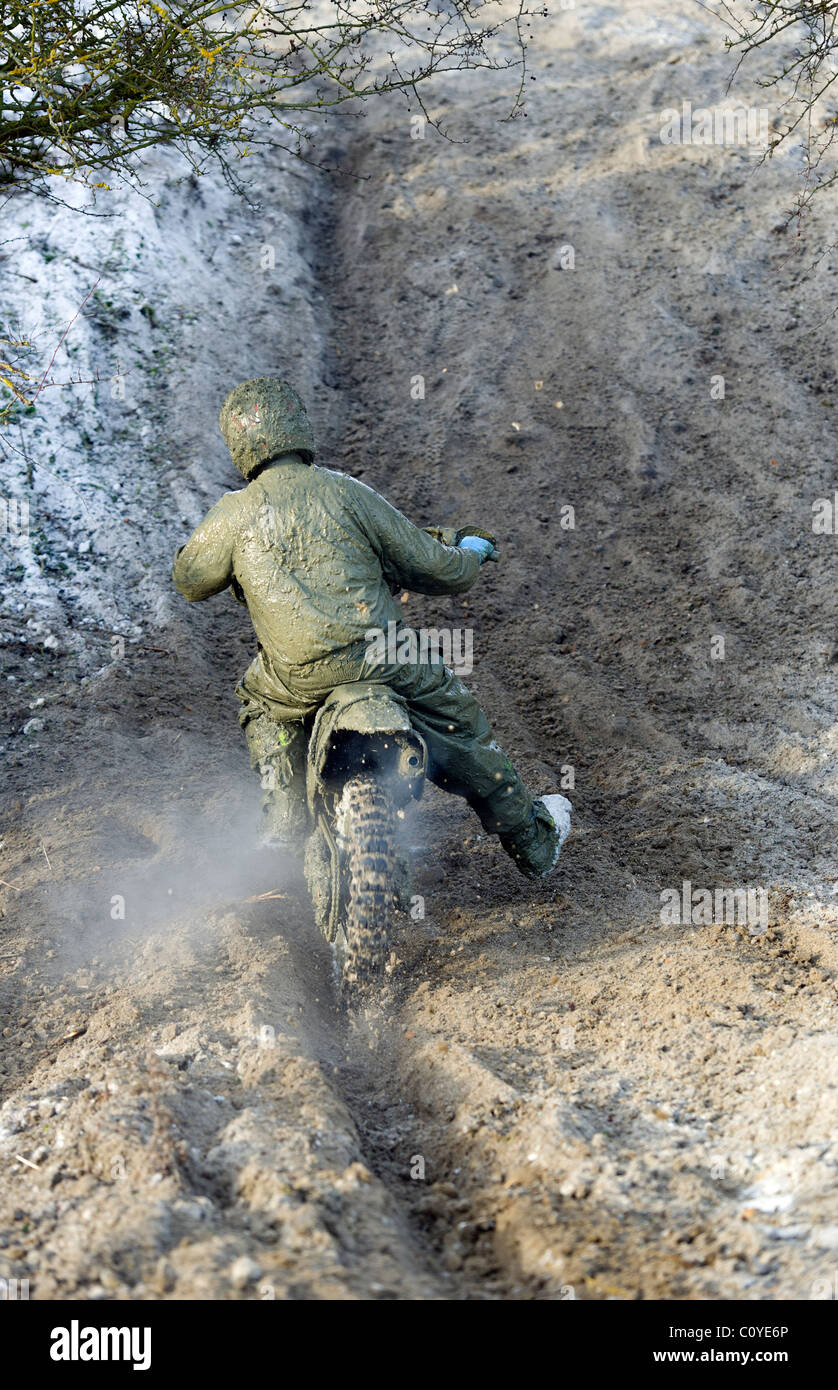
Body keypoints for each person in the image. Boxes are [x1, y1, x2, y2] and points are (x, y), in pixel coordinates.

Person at [172, 377, 571, 878]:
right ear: (298, 428)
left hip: (296, 675)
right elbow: (439, 569)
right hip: (387, 657)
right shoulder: (347, 493)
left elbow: (189, 580)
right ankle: (532, 841)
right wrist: (470, 549)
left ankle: (282, 820)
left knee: (261, 703)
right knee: (460, 725)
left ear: (240, 444)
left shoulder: (232, 513)